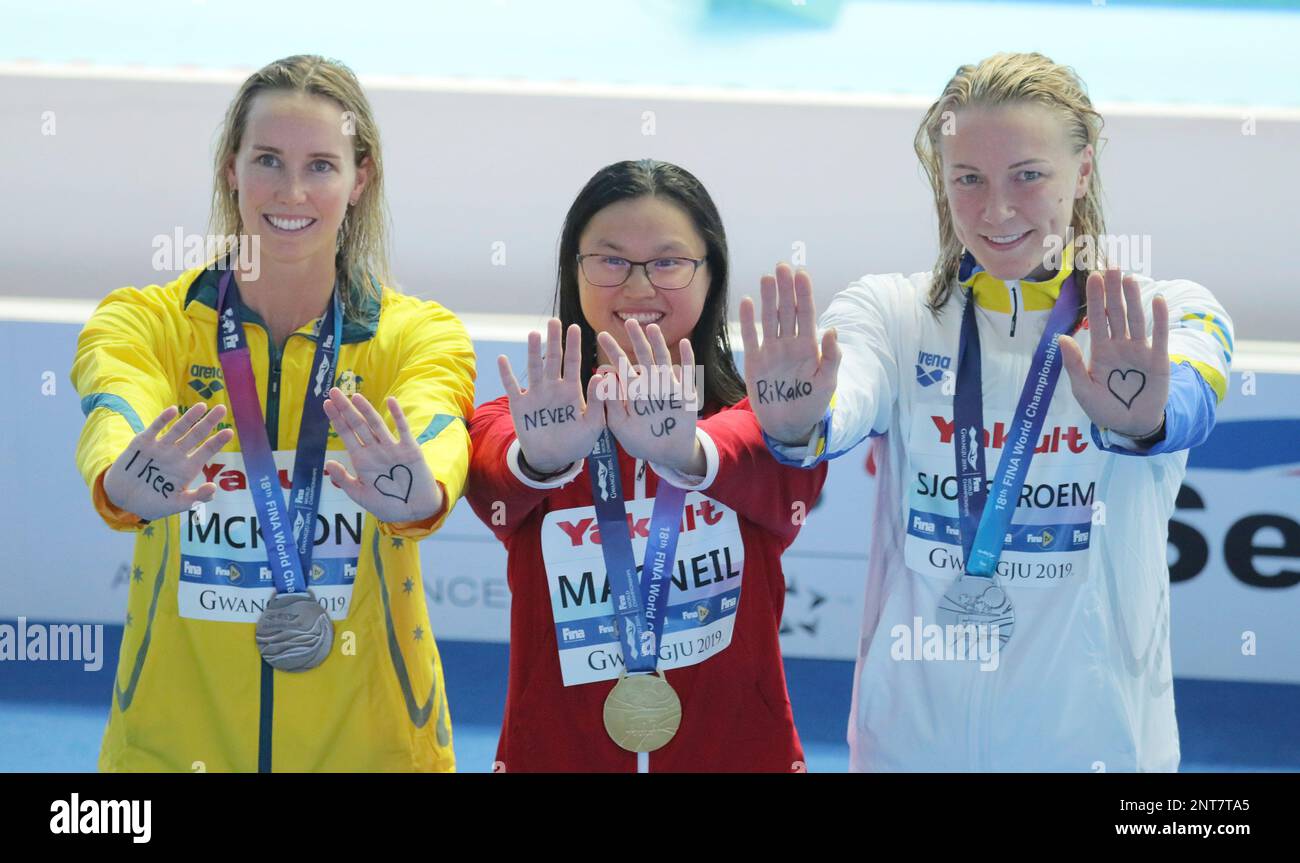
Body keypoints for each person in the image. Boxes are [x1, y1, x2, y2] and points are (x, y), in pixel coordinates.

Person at [744, 53, 1233, 772]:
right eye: (968, 179)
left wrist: (1143, 418)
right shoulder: (894, 313)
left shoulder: (1160, 315)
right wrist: (796, 420)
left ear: (1084, 171)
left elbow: (1189, 396)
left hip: (1096, 751)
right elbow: (839, 405)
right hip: (906, 749)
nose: (996, 210)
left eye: (1028, 175)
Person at [71, 55, 474, 772]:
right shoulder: (145, 323)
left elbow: (436, 417)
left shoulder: (417, 335)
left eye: (321, 165)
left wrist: (424, 486)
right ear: (231, 169)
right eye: (268, 160)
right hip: (170, 744)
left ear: (362, 176)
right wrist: (118, 475)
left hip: (374, 744)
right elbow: (116, 398)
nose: (292, 190)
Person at [466, 159, 826, 772]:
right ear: (572, 271)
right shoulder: (532, 421)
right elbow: (492, 474)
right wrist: (541, 463)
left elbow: (781, 475)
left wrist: (689, 453)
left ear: (709, 274)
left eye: (668, 262)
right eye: (609, 260)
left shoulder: (761, 424)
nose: (637, 288)